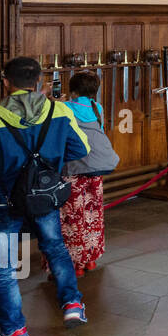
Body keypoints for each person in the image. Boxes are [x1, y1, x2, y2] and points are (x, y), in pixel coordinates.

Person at [0, 56, 90, 336]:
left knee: (3, 266)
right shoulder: (59, 110)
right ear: (38, 81)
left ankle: (13, 332)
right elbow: (81, 148)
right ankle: (72, 305)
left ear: (6, 82)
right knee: (55, 248)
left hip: (4, 198)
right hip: (44, 194)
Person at [55, 70, 120, 276]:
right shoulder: (96, 106)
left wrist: (55, 99)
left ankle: (75, 264)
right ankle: (90, 259)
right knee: (93, 214)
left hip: (73, 170)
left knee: (71, 218)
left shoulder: (64, 107)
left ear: (72, 90)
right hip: (95, 169)